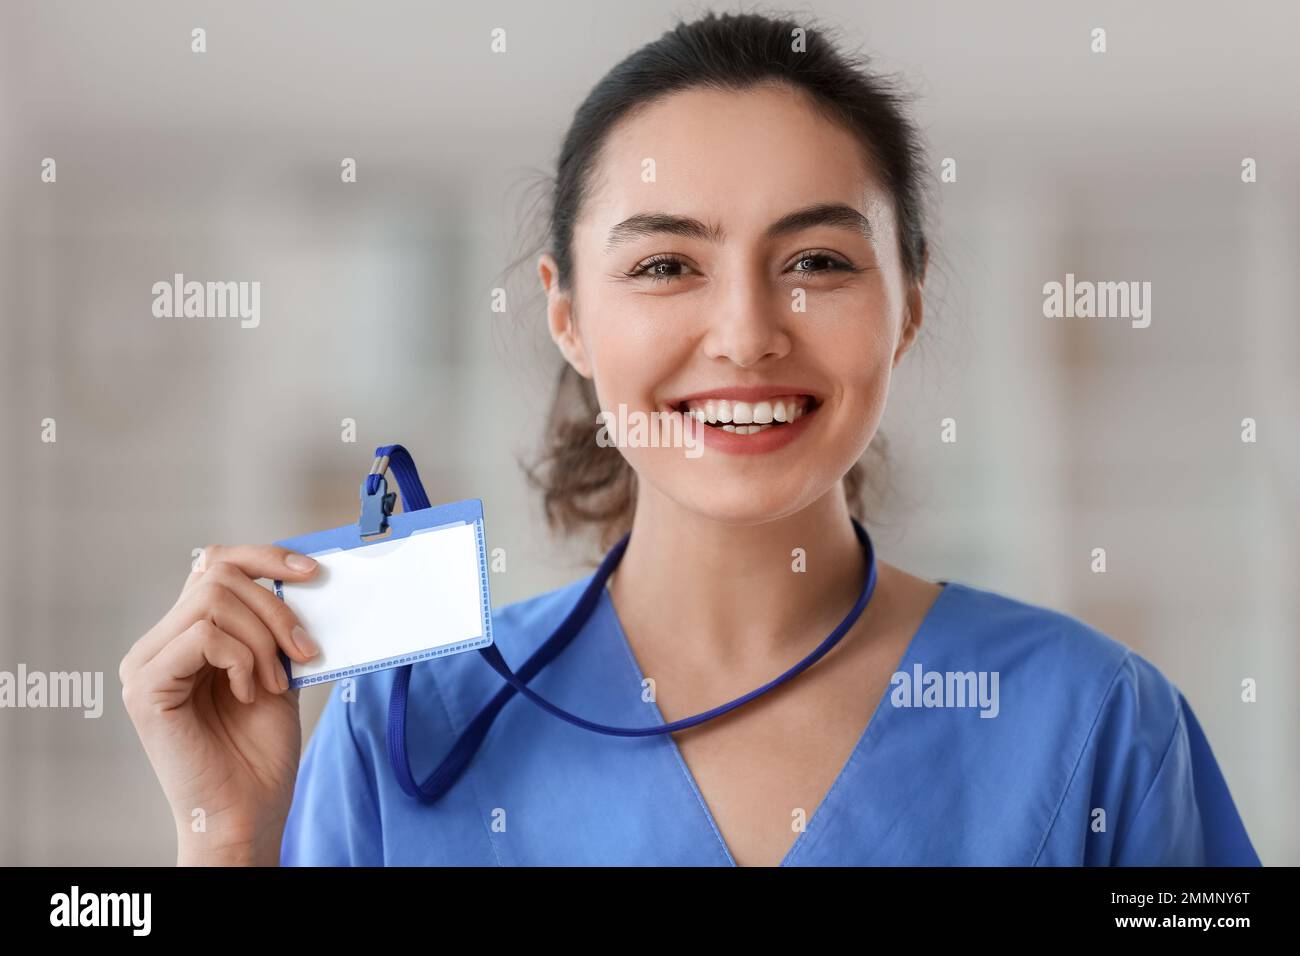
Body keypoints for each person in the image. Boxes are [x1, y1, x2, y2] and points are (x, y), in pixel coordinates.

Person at [120, 11, 1259, 866]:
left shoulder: (1096, 719)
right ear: (567, 313)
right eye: (665, 264)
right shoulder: (404, 734)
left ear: (907, 303)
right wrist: (225, 834)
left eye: (816, 260)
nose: (746, 333)